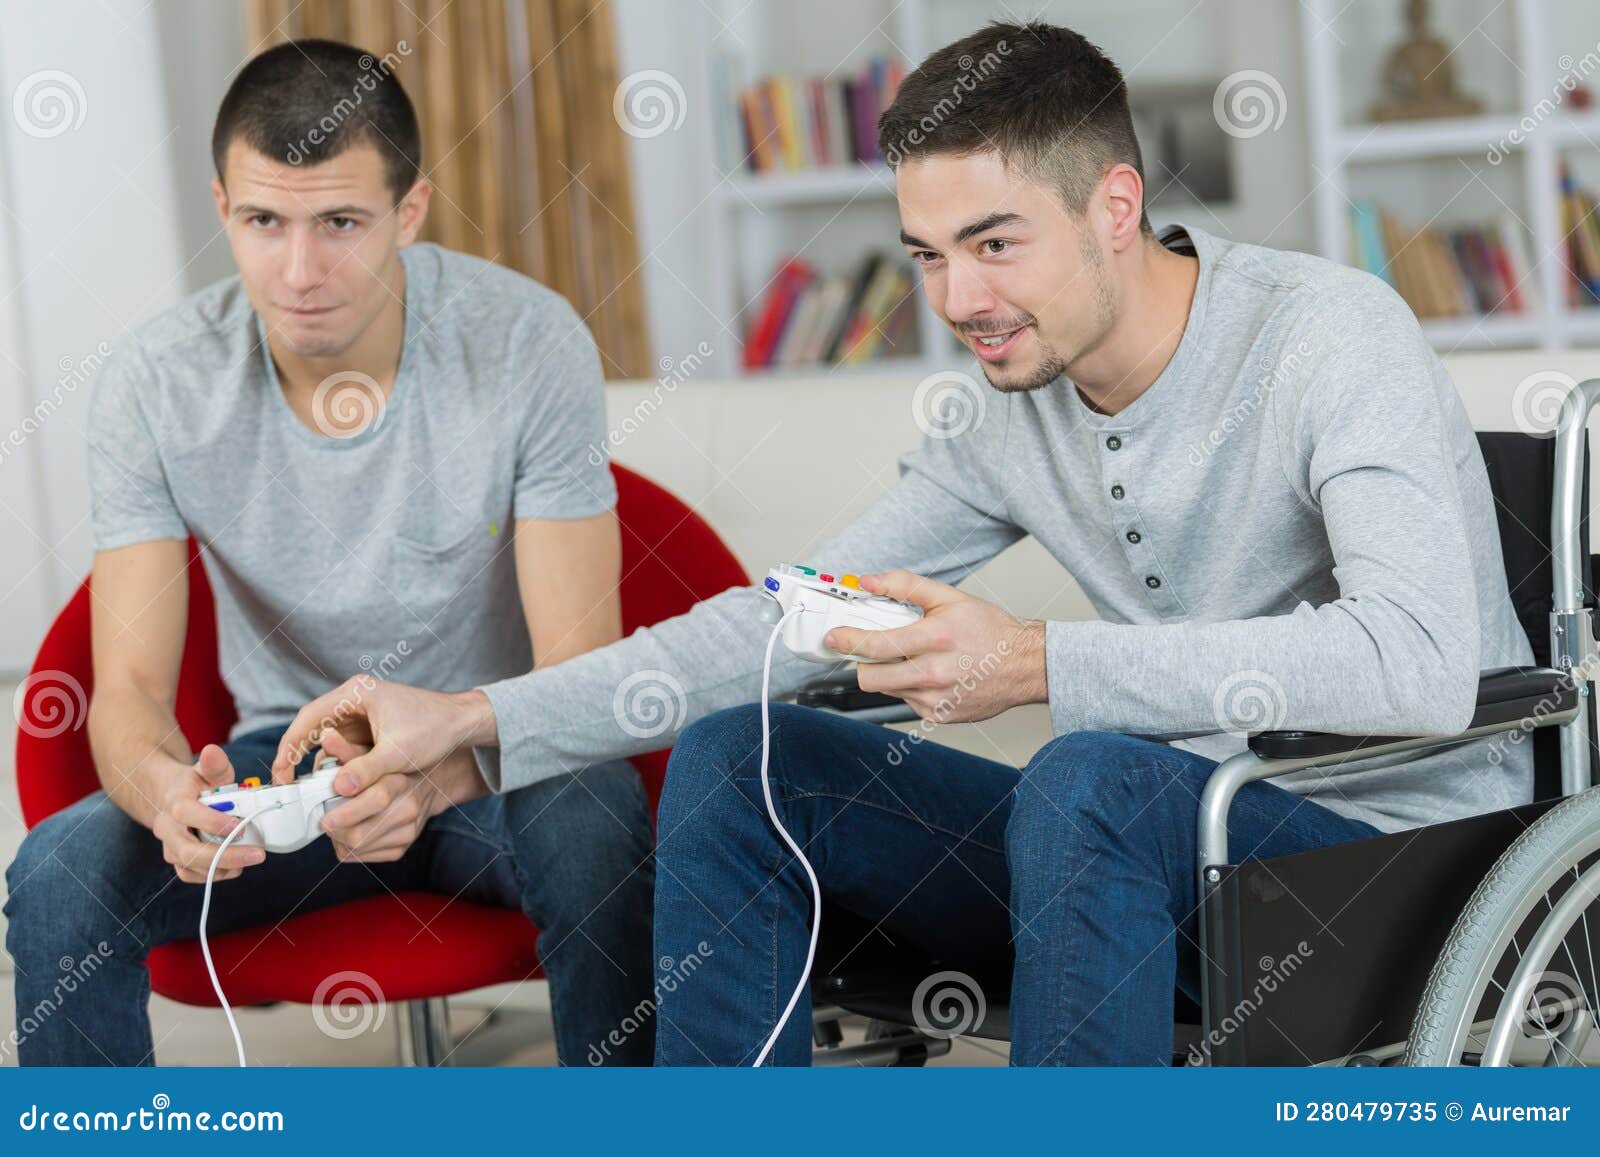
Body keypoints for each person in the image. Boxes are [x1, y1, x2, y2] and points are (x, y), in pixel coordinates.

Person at [265, 22, 1533, 1065]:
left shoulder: (1330, 337)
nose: (958, 301)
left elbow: (1415, 659)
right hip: (1159, 856)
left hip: (1383, 869)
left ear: (1114, 205)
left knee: (1085, 770)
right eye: (927, 255)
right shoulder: (1010, 412)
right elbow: (779, 616)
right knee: (749, 750)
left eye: (994, 245)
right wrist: (473, 722)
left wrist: (1041, 658)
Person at [4, 39, 655, 1066]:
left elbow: (579, 671)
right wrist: (165, 791)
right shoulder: (153, 383)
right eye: (265, 222)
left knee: (594, 815)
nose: (299, 273)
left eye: (341, 223)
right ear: (222, 207)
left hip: (491, 753)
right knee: (61, 865)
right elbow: (125, 686)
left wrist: (447, 761)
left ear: (411, 209)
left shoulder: (527, 341)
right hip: (293, 768)